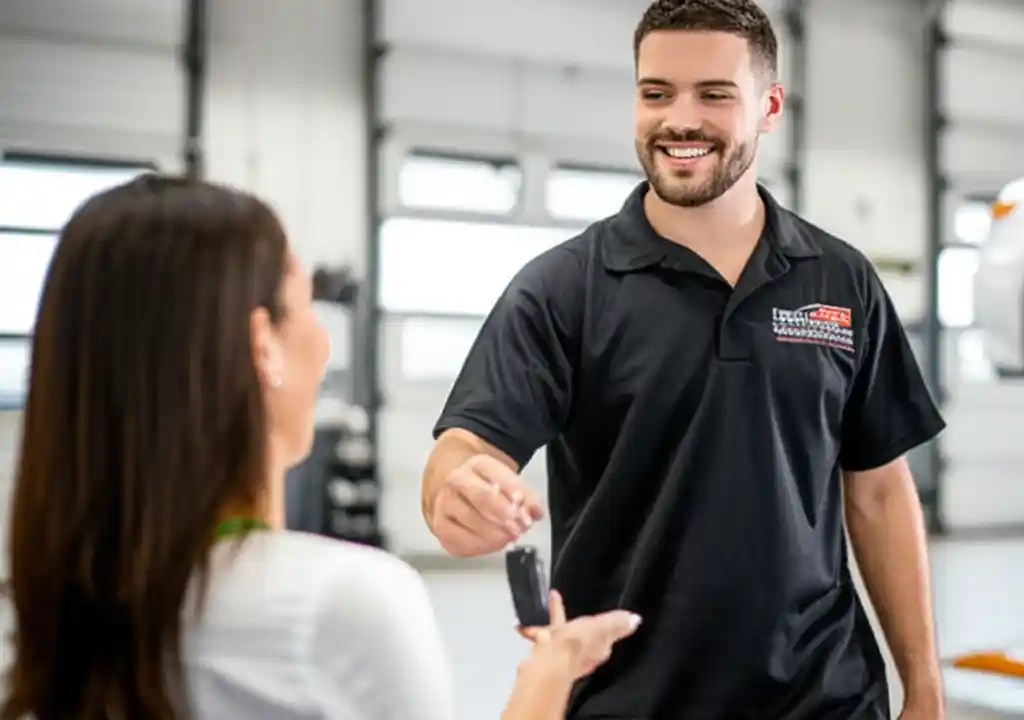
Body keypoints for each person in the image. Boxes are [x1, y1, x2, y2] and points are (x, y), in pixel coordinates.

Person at [421, 0, 949, 717]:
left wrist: (923, 683)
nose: (680, 119)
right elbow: (464, 448)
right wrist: (455, 489)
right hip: (626, 697)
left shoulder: (840, 280)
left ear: (768, 106)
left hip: (825, 697)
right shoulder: (563, 289)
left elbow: (880, 491)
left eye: (714, 94)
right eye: (656, 93)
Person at [0, 175, 640, 720]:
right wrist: (547, 680)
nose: (325, 344)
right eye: (304, 307)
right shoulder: (343, 606)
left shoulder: (38, 625)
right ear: (263, 345)